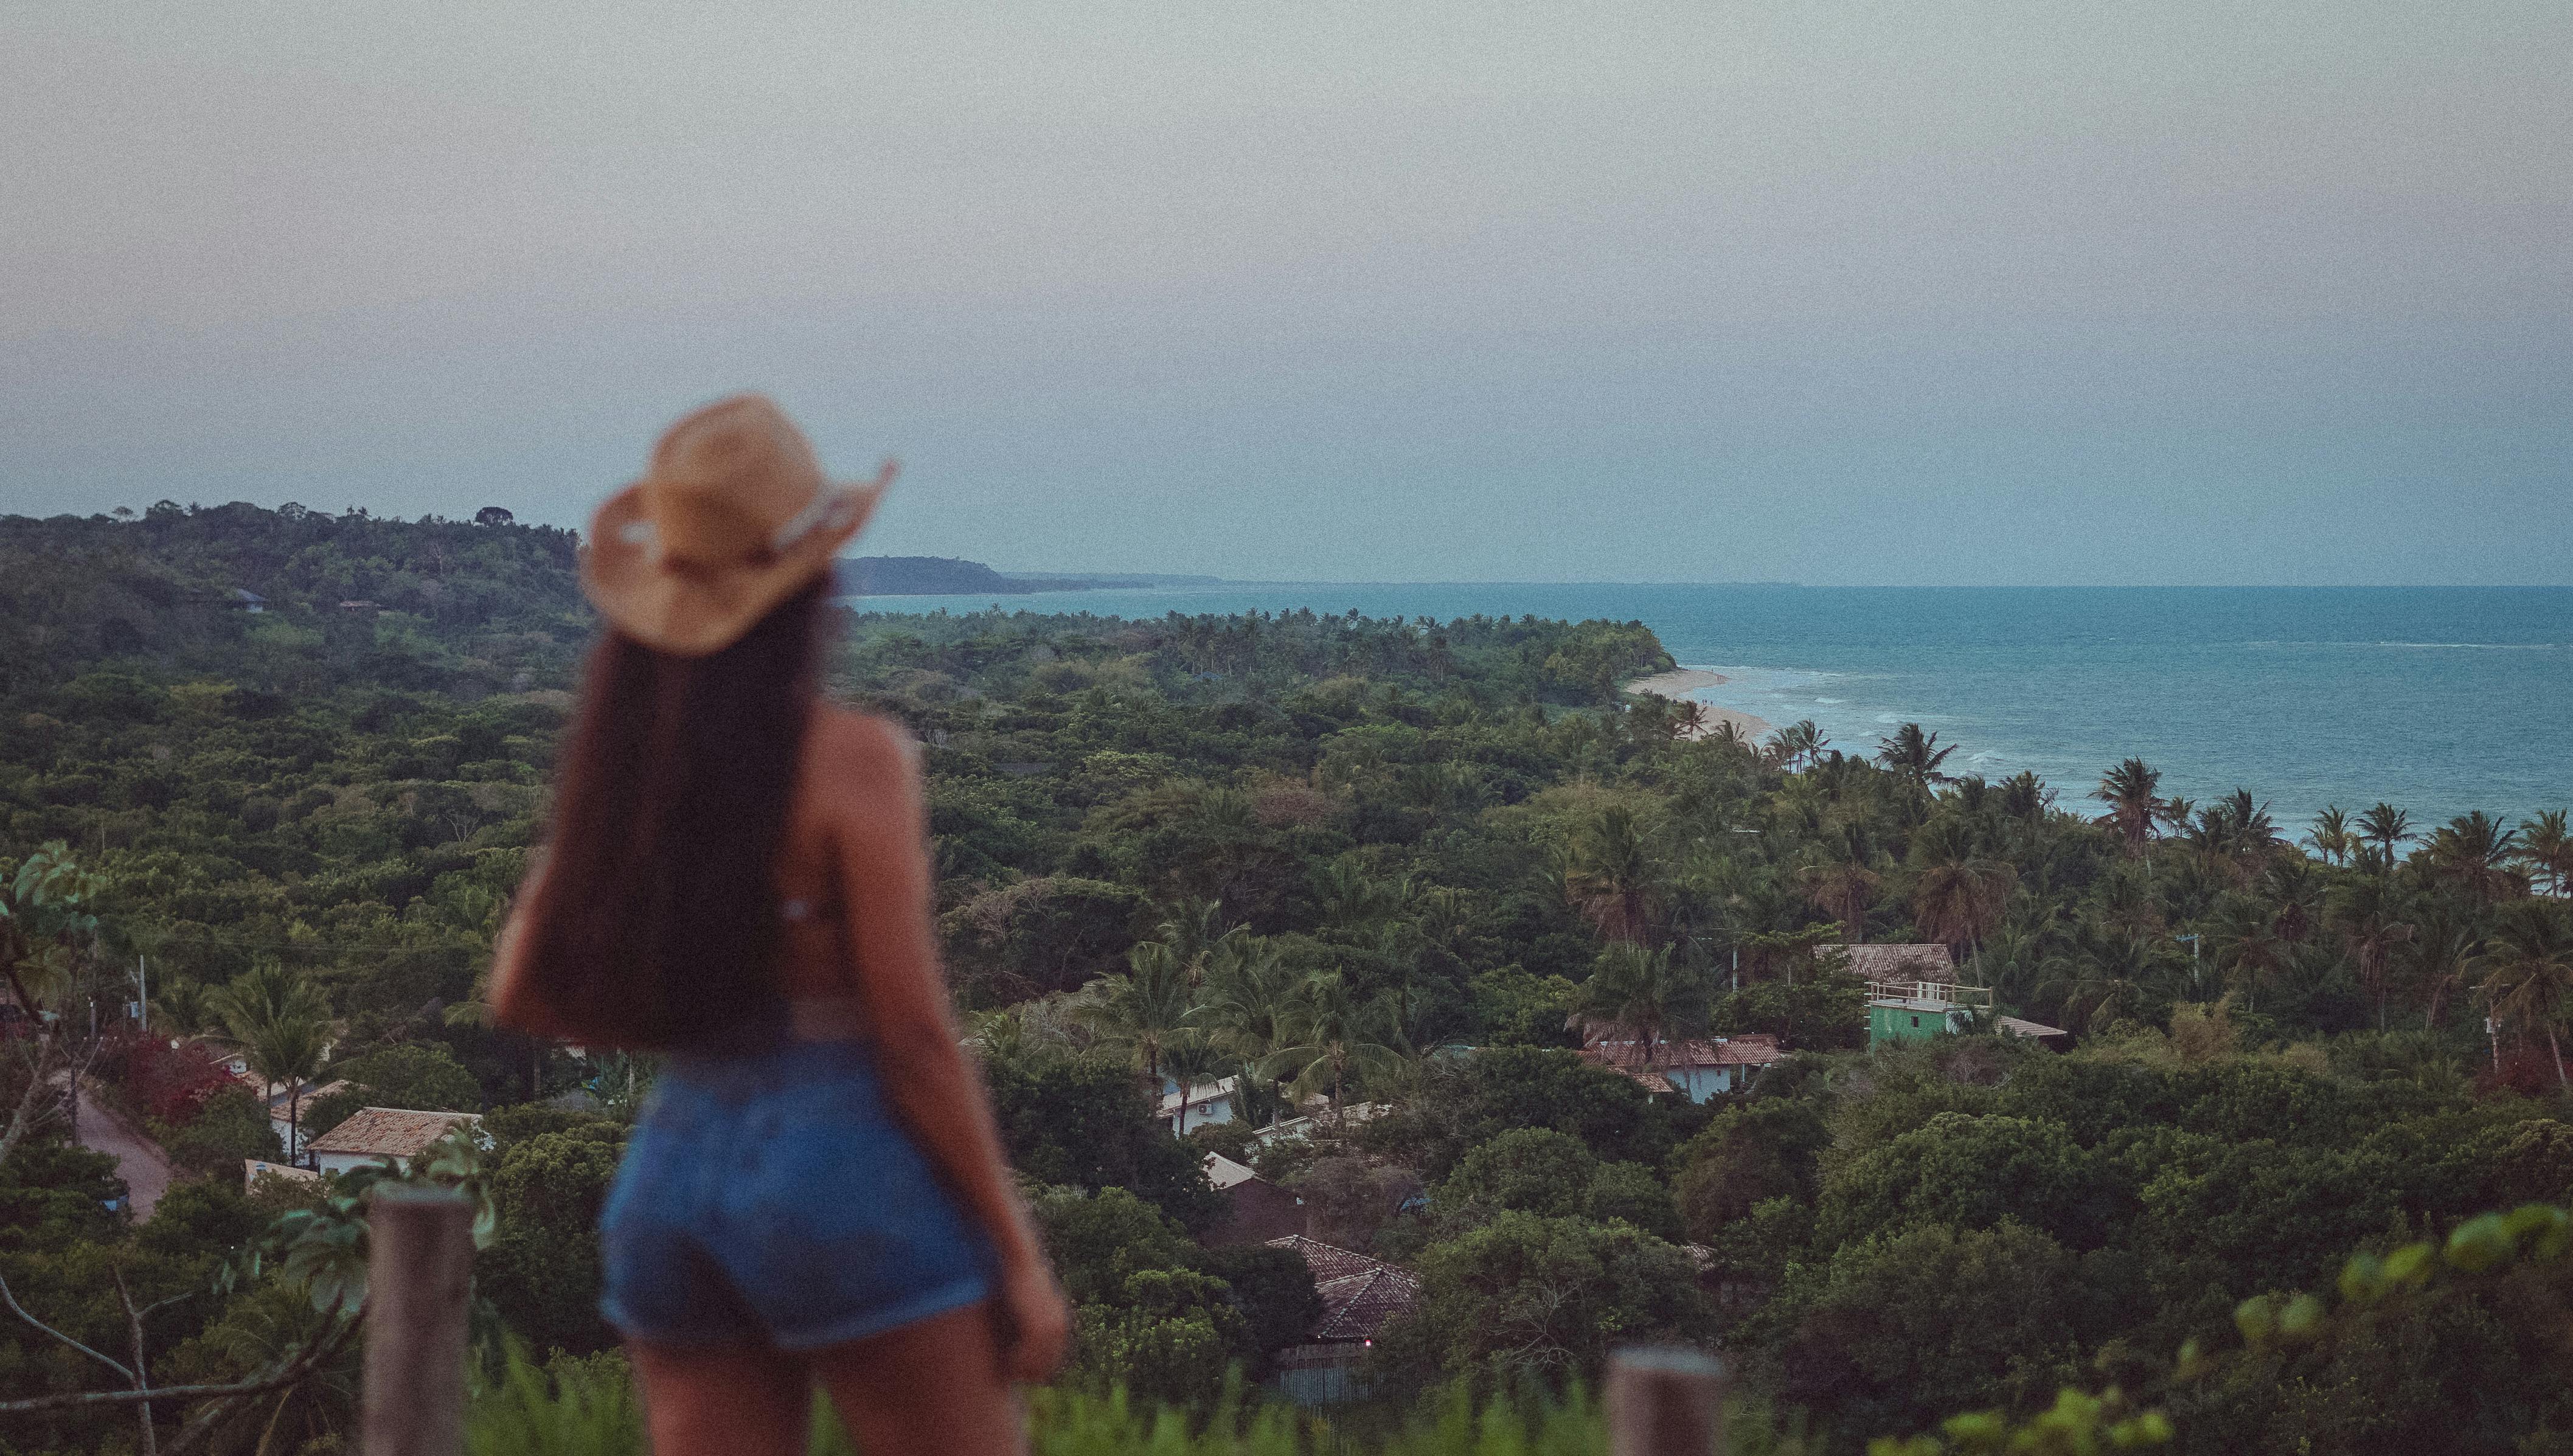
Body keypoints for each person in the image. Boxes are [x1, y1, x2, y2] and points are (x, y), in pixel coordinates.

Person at [489, 395, 1069, 1454]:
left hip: (668, 1174)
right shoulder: (853, 760)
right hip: (838, 1166)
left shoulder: (623, 771)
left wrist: (697, 1018)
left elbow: (520, 988)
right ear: (810, 578)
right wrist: (1015, 1253)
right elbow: (913, 1037)